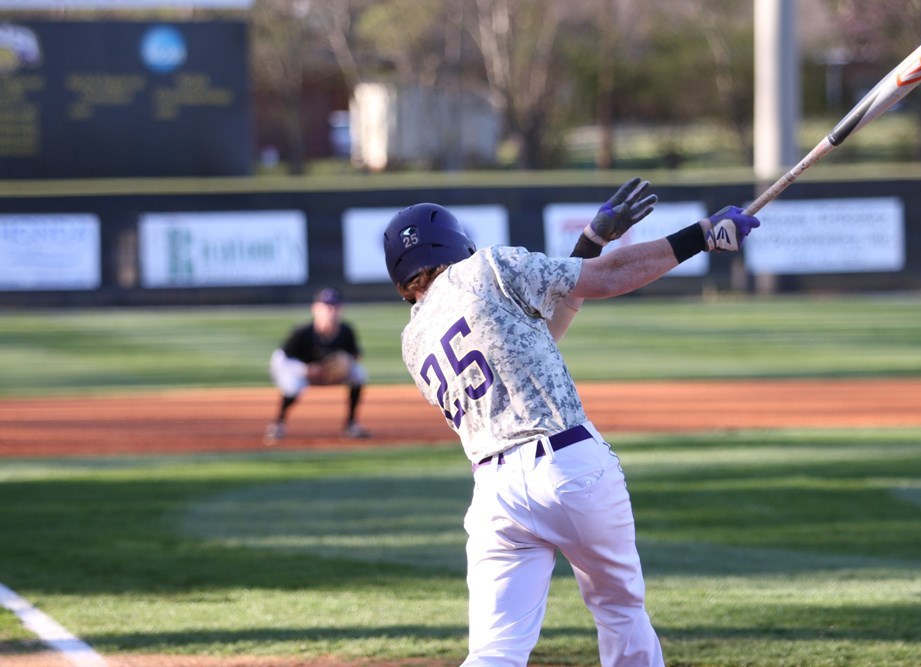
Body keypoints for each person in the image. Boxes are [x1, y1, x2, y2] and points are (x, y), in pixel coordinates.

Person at [381, 178, 760, 667]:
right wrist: (702, 235)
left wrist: (591, 242)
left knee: (495, 649)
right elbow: (603, 280)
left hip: (495, 496)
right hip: (567, 465)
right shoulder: (486, 266)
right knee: (620, 612)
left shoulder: (413, 341)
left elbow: (538, 332)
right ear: (457, 243)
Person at [264, 287, 370, 445]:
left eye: (334, 306)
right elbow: (280, 360)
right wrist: (304, 370)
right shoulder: (302, 332)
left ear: (341, 308)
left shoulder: (346, 331)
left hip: (326, 374)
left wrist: (344, 363)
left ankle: (351, 425)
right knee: (293, 385)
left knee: (359, 374)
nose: (330, 310)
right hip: (299, 371)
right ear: (315, 309)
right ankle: (278, 424)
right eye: (326, 306)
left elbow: (356, 355)